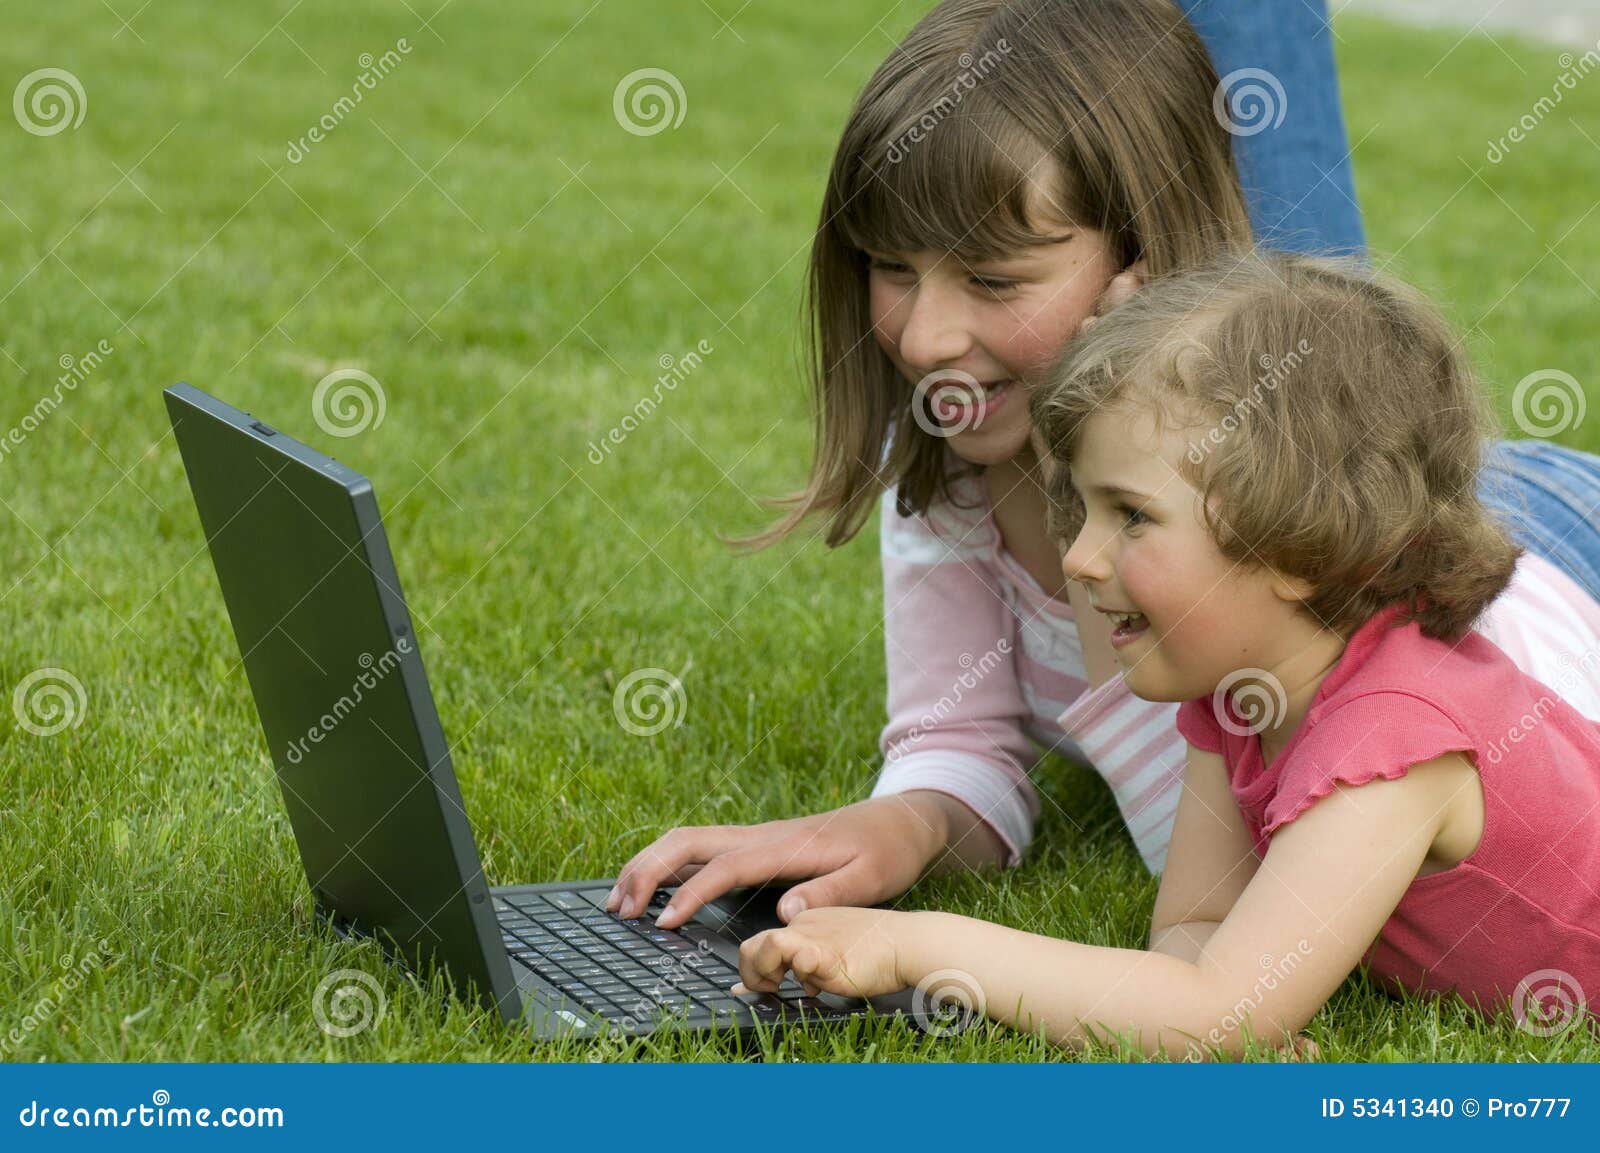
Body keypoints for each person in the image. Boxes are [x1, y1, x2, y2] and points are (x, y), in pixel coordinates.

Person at [606, 0, 1600, 939]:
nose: (925, 336)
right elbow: (960, 739)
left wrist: (1082, 454)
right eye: (892, 267)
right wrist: (898, 822)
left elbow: (1214, 872)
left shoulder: (1266, 518)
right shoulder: (948, 454)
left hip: (1553, 544)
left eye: (993, 278)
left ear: (1141, 267)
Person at [729, 249, 1600, 1055]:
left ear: (1295, 546)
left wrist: (915, 944)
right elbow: (1193, 933)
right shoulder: (1242, 693)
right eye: (1084, 510)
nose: (1080, 557)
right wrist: (1214, 1020)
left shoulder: (1394, 740)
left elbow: (1216, 1010)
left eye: (1131, 515)